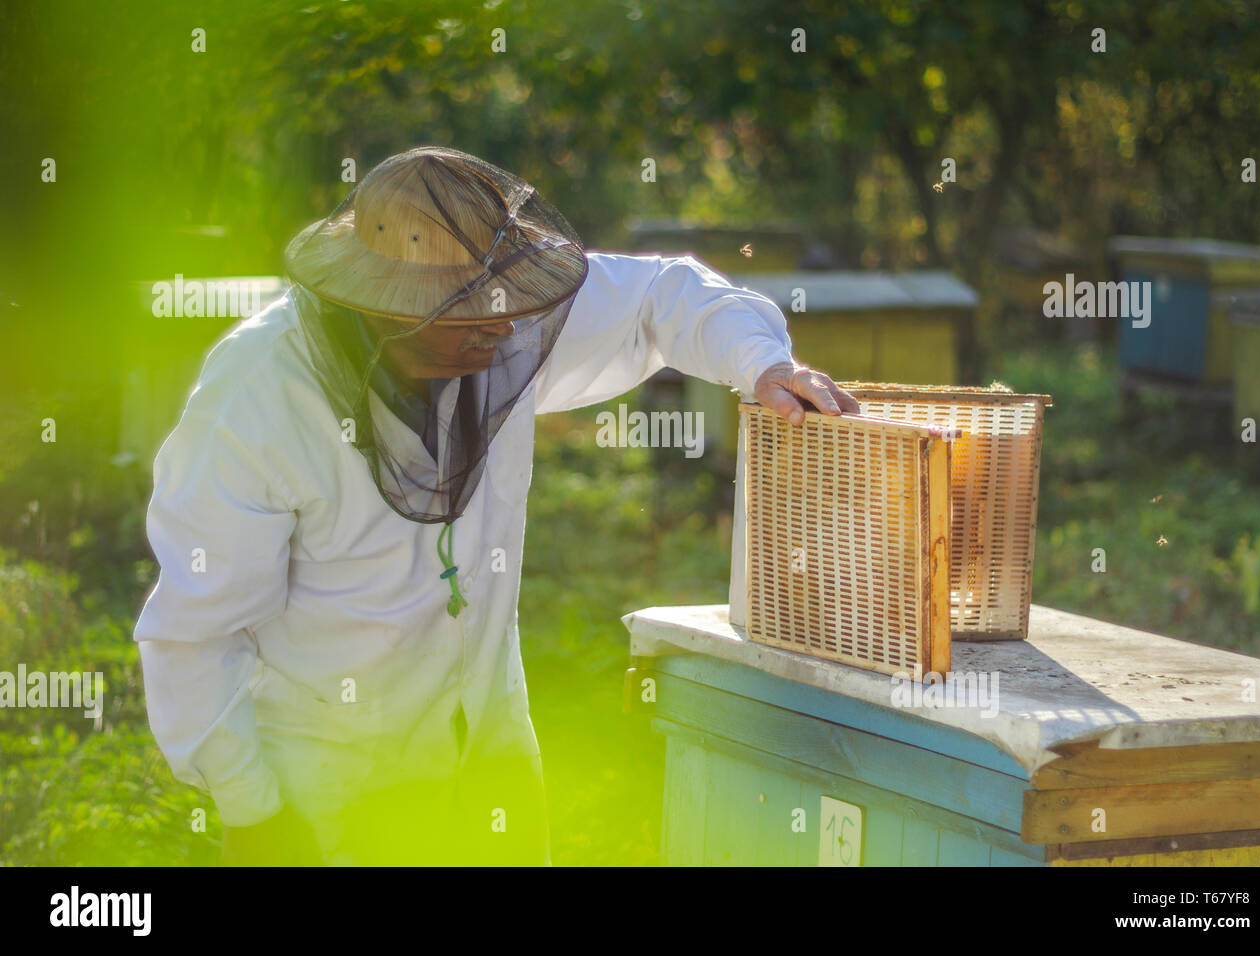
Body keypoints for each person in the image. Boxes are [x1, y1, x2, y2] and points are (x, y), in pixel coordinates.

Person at [133, 146, 860, 865]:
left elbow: (661, 294)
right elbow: (196, 629)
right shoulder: (258, 393)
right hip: (327, 783)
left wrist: (762, 364)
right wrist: (252, 809)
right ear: (388, 306)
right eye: (467, 309)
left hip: (489, 743)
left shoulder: (500, 316)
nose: (504, 326)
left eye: (502, 296)